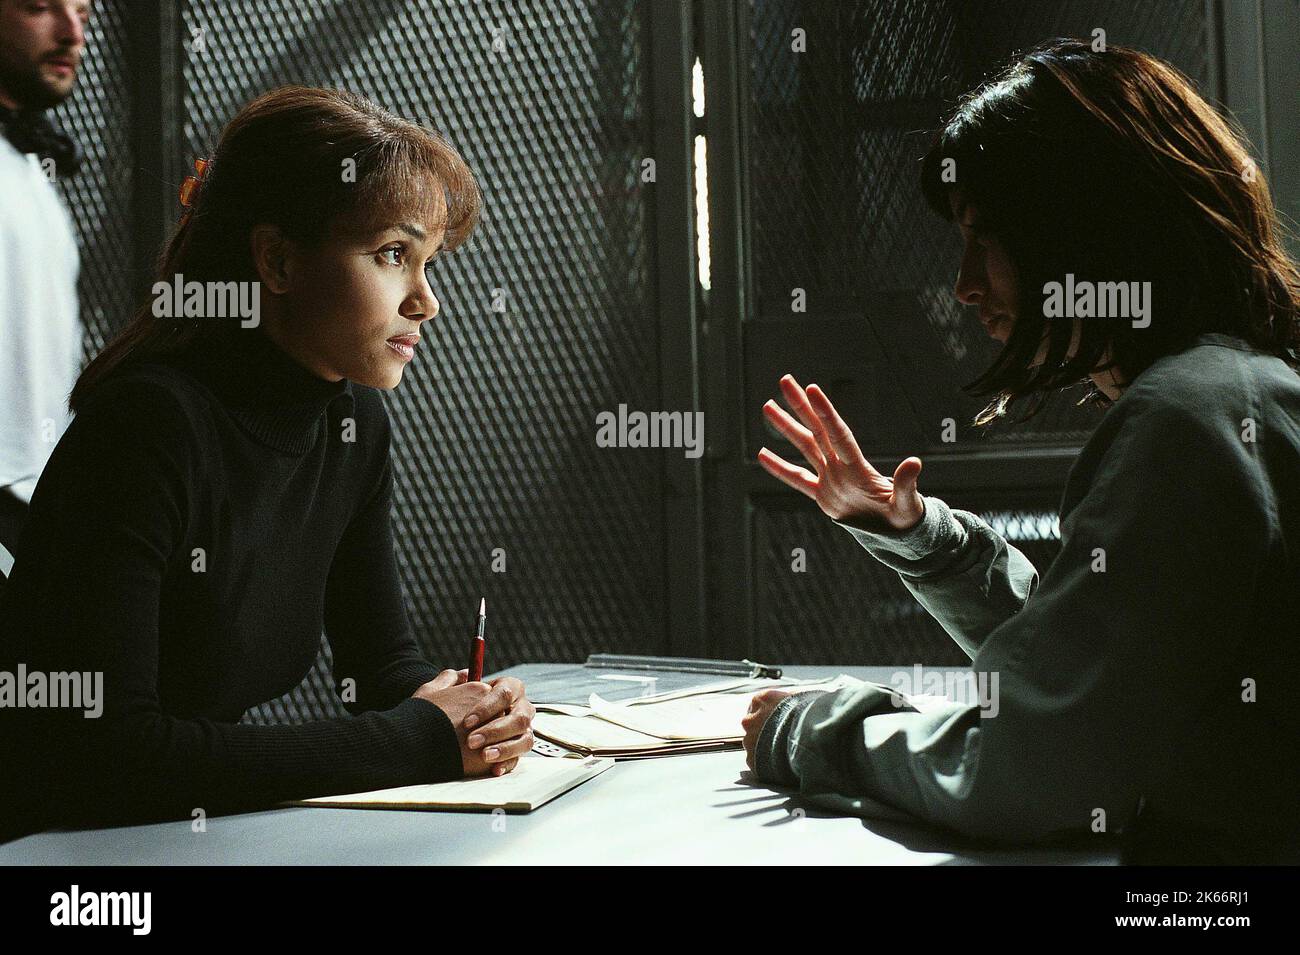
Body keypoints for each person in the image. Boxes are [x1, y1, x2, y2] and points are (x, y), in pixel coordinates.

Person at [743, 40, 1300, 864]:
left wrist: (814, 727)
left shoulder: (1189, 413)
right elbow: (1098, 667)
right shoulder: (1238, 388)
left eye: (989, 236)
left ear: (1090, 228)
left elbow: (1034, 765)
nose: (966, 283)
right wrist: (919, 536)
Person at [0, 86, 534, 840]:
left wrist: (471, 715)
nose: (426, 301)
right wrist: (418, 736)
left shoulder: (352, 423)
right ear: (277, 261)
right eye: (392, 255)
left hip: (174, 842)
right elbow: (110, 753)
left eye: (429, 262)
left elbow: (382, 665)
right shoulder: (148, 427)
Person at [0, 0, 87, 570]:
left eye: (83, 12)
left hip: (37, 514)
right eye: (39, 7)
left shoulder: (33, 165)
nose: (71, 33)